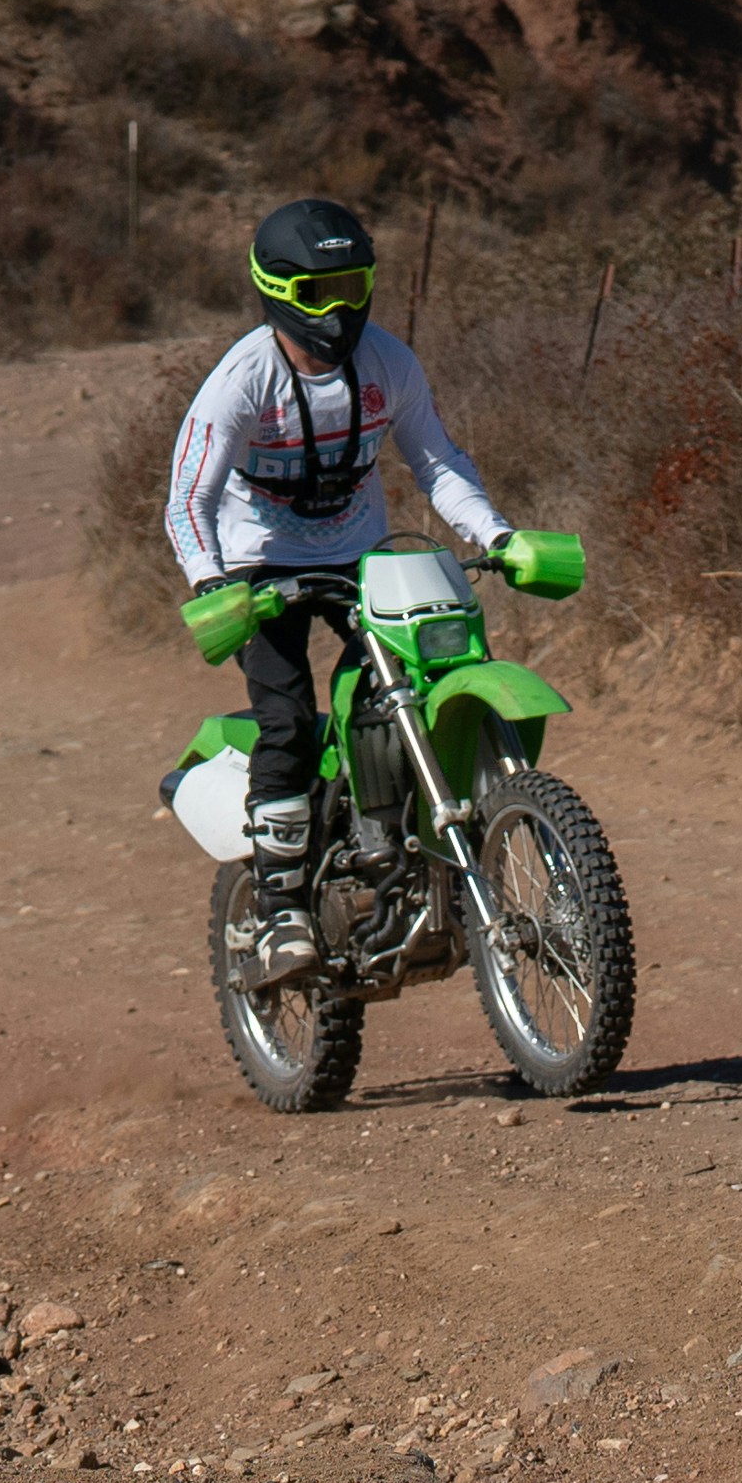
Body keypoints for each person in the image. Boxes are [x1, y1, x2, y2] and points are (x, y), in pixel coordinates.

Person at [163, 196, 570, 984]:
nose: (340, 309)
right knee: (283, 718)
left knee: (413, 683)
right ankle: (281, 913)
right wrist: (213, 584)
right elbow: (190, 498)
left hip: (364, 560)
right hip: (260, 568)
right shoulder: (242, 381)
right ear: (277, 290)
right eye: (321, 294)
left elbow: (438, 462)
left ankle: (402, 839)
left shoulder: (390, 364)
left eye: (353, 287)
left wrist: (499, 537)